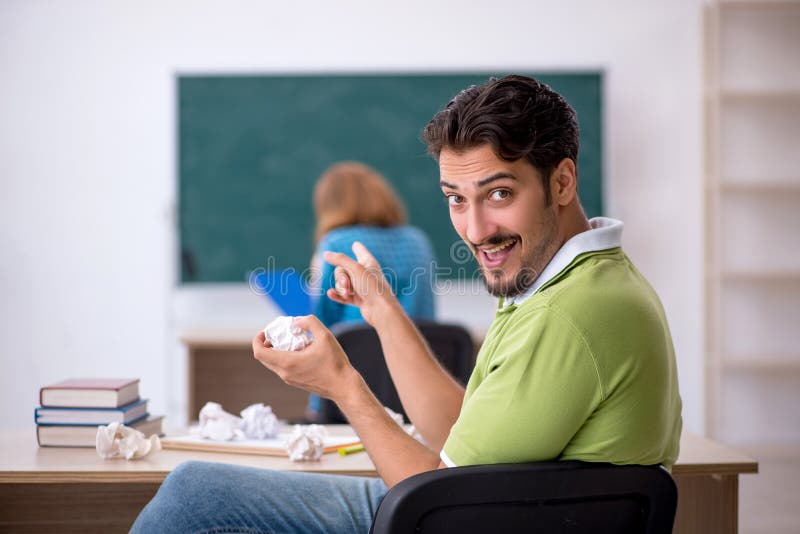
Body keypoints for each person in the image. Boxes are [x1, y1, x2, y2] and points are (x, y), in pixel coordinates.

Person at [131, 75, 682, 533]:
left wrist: (342, 382)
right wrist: (381, 310)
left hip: (466, 521)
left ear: (562, 182)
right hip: (499, 510)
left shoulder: (566, 314)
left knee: (192, 493)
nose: (475, 230)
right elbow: (460, 435)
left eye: (499, 194)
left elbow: (438, 497)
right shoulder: (577, 284)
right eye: (455, 200)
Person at [305, 161, 436, 420]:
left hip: (355, 385)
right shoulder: (418, 240)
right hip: (418, 385)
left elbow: (321, 326)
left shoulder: (334, 244)